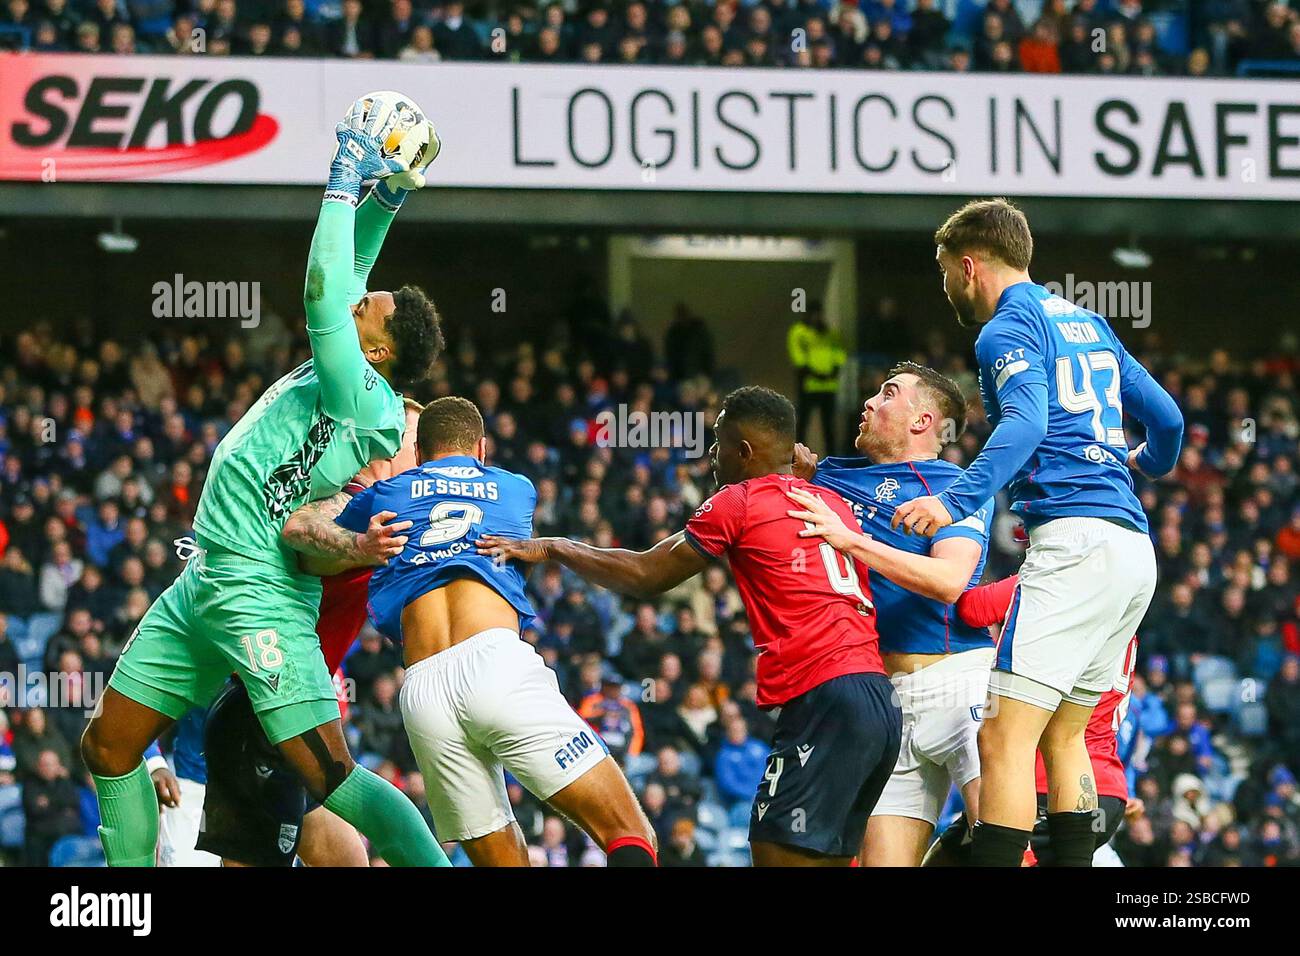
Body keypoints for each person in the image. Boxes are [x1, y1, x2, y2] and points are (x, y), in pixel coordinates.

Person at [79, 107, 451, 868]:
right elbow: (348, 278)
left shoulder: (365, 398)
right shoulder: (361, 362)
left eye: (369, 310)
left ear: (376, 349)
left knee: (333, 778)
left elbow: (323, 293)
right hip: (205, 577)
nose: (358, 300)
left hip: (262, 589)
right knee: (109, 745)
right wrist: (389, 196)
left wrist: (345, 177)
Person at [481, 386, 901, 866]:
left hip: (826, 697)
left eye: (718, 443)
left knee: (774, 853)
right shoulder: (830, 505)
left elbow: (646, 574)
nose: (710, 455)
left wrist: (555, 547)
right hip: (876, 702)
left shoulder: (739, 500)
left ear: (744, 453)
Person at [891, 198, 1183, 866]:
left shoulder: (1004, 330)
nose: (946, 289)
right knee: (1066, 737)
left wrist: (954, 500)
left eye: (945, 274)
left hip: (1074, 544)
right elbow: (1167, 421)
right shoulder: (1089, 323)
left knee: (1002, 742)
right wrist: (1141, 467)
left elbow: (1023, 426)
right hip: (1132, 550)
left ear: (970, 265)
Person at [285, 396, 658, 866]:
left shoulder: (385, 496)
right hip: (495, 663)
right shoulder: (516, 488)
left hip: (422, 691)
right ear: (482, 448)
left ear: (418, 454)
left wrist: (357, 544)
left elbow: (297, 529)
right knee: (627, 830)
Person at [786, 360, 993, 865]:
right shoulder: (830, 476)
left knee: (1004, 848)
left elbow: (949, 582)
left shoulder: (955, 487)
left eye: (888, 393)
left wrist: (850, 541)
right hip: (886, 701)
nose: (870, 401)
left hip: (958, 682)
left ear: (922, 421)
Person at [926, 573, 1139, 866]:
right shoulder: (1124, 599)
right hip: (1102, 794)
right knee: (947, 853)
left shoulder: (1063, 569)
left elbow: (975, 608)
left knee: (951, 858)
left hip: (1043, 789)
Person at [786, 302, 846, 453]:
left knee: (829, 426)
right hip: (808, 384)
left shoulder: (830, 333)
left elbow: (839, 354)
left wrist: (833, 370)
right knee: (802, 423)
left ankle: (832, 458)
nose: (816, 317)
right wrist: (812, 372)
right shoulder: (799, 332)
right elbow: (797, 355)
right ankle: (798, 456)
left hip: (829, 385)